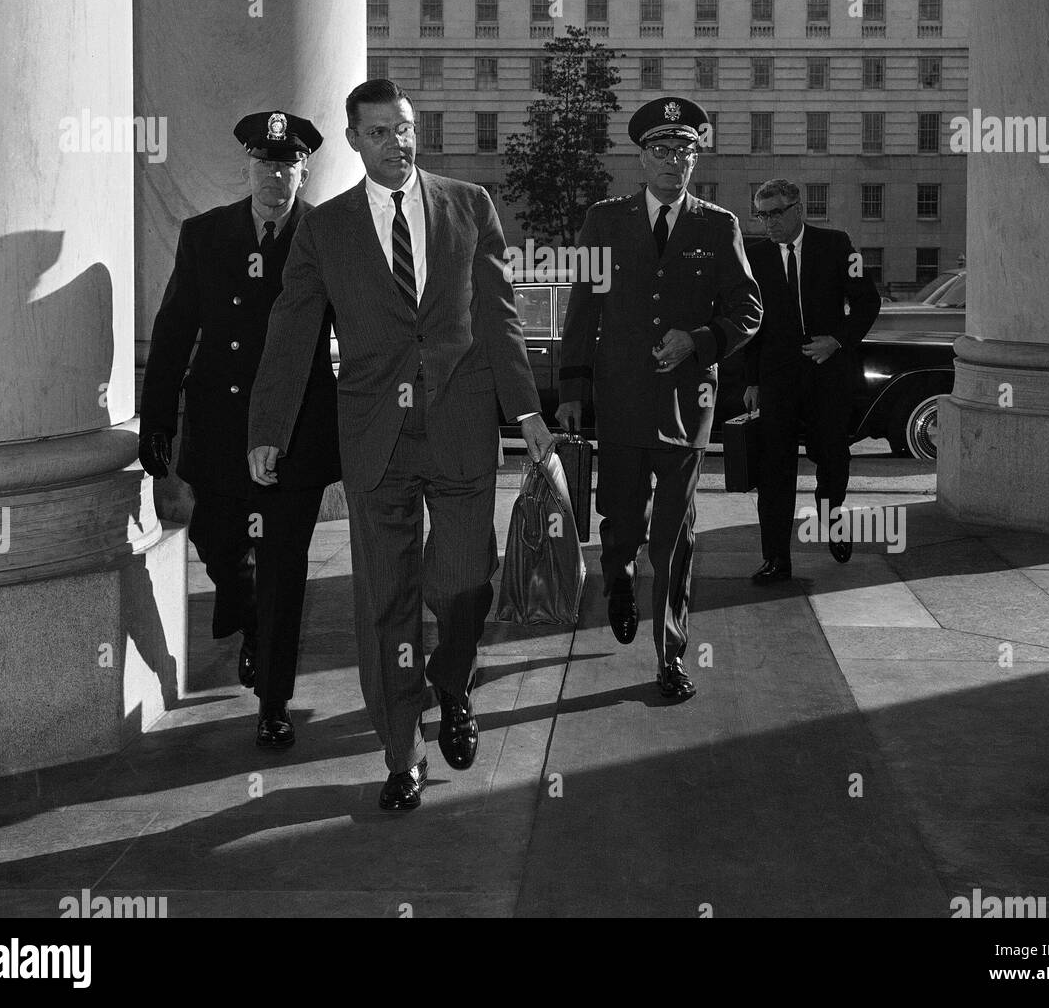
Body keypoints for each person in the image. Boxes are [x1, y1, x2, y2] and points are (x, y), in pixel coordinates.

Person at [248, 79, 552, 813]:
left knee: (463, 582)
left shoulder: (469, 206)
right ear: (353, 141)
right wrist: (268, 428)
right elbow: (292, 330)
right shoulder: (325, 231)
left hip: (461, 426)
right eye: (379, 132)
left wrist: (529, 414)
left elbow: (501, 318)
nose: (397, 143)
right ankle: (401, 751)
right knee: (385, 600)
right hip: (375, 437)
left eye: (406, 129)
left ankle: (453, 681)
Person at [138, 111, 341, 749]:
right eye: (265, 162)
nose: (276, 174)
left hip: (295, 433)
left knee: (283, 564)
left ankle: (274, 699)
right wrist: (157, 419)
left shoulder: (327, 236)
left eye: (288, 164)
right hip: (222, 426)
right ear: (247, 167)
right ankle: (249, 618)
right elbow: (174, 331)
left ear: (304, 169)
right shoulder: (206, 235)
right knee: (222, 545)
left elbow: (358, 335)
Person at [557, 97, 761, 701]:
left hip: (686, 407)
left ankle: (670, 652)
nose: (675, 163)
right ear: (640, 159)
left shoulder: (716, 224)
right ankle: (618, 578)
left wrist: (699, 339)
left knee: (676, 535)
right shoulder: (604, 220)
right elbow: (584, 308)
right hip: (620, 402)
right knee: (622, 524)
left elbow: (748, 312)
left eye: (685, 152)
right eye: (662, 152)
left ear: (697, 159)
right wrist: (572, 390)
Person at [742, 178, 881, 583]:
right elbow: (752, 325)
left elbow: (867, 302)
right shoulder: (753, 257)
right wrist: (752, 380)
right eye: (762, 215)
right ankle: (776, 559)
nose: (768, 223)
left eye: (775, 214)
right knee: (774, 470)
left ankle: (830, 512)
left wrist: (837, 341)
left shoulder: (837, 245)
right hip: (776, 378)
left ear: (798, 209)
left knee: (833, 454)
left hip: (828, 373)